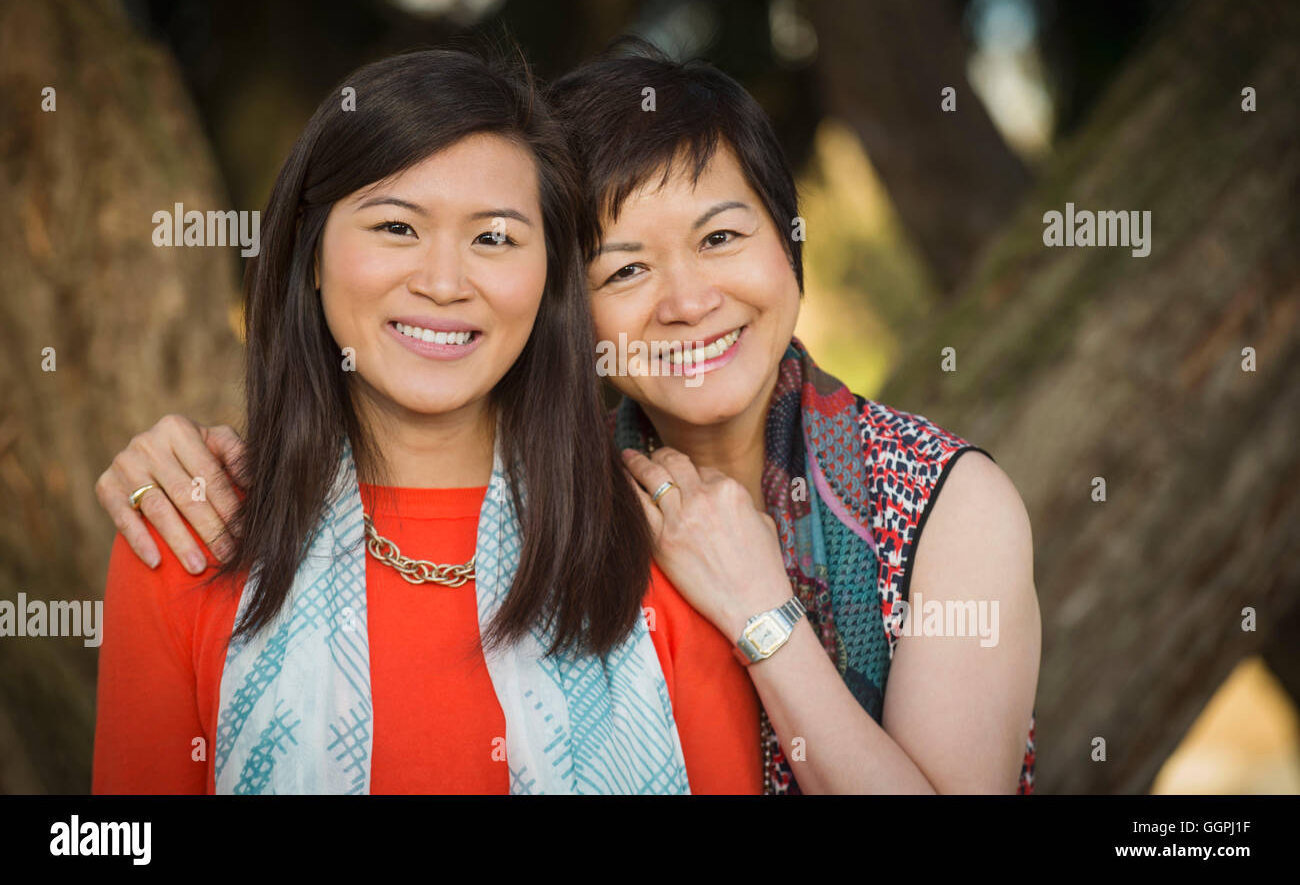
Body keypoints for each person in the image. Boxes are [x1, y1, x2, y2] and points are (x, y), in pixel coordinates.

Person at [96, 40, 1040, 794]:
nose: (685, 301)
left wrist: (762, 615)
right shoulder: (585, 491)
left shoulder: (925, 503)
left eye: (720, 237)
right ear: (569, 305)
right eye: (624, 268)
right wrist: (174, 453)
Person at [91, 48, 761, 795]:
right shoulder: (189, 532)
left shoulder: (662, 550)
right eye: (396, 227)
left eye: (495, 237)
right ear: (310, 255)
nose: (444, 282)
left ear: (550, 283)